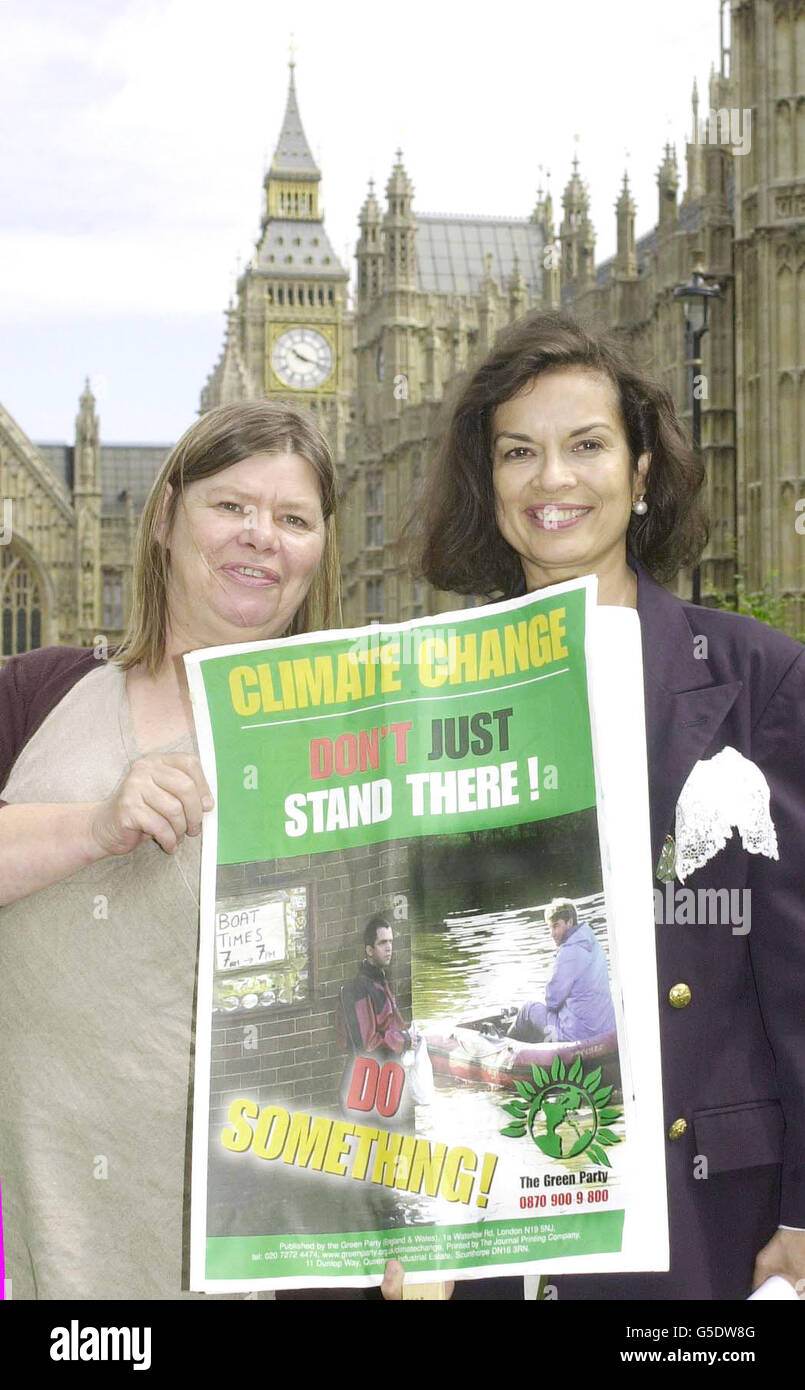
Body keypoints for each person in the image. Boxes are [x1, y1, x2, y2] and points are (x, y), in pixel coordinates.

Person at [410, 308, 805, 1301]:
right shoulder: (419, 690)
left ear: (639, 475)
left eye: (586, 446)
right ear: (485, 484)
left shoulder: (757, 679)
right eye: (518, 453)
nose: (552, 481)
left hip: (700, 1223)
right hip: (486, 1226)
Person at [0, 400, 342, 1300]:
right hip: (45, 1239)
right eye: (230, 505)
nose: (261, 537)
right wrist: (94, 825)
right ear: (162, 518)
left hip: (266, 1249)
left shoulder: (356, 741)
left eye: (293, 519)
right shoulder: (41, 693)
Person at [509, 898, 616, 1044]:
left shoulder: (568, 952)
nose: (552, 933)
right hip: (605, 1029)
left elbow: (552, 1001)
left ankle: (504, 1047)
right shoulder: (594, 944)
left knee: (527, 1009)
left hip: (576, 1035)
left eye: (556, 926)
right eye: (550, 928)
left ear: (569, 922)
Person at [340, 915, 416, 1057]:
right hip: (380, 1069)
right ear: (369, 950)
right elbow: (369, 1043)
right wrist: (404, 1040)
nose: (389, 948)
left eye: (390, 942)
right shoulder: (362, 989)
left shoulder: (379, 979)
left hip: (393, 1061)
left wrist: (406, 1038)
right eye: (382, 943)